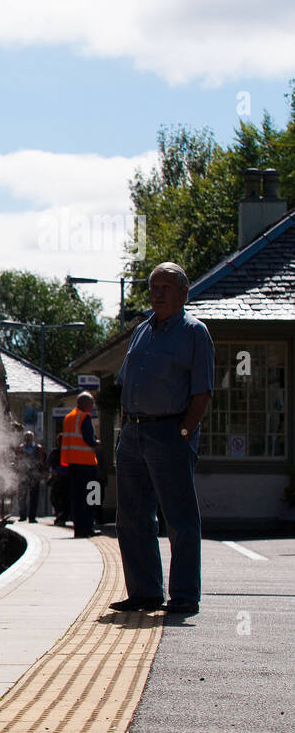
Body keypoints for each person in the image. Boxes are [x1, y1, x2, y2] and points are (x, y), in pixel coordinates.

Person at [109, 262, 214, 615]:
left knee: (179, 518)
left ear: (185, 293)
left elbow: (202, 394)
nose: (158, 292)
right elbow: (124, 385)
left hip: (170, 432)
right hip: (133, 433)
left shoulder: (194, 332)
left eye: (167, 286)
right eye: (154, 286)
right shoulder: (141, 331)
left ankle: (184, 595)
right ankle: (144, 592)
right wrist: (125, 430)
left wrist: (183, 434)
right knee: (132, 517)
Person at [61, 392, 100, 538]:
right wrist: (97, 443)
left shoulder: (69, 417)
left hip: (72, 463)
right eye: (92, 402)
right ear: (84, 403)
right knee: (90, 496)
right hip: (86, 463)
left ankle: (79, 529)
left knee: (76, 497)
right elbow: (89, 440)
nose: (93, 405)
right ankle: (88, 528)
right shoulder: (84, 417)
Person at [14, 430, 45, 522]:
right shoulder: (21, 448)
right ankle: (22, 515)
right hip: (23, 474)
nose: (28, 438)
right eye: (26, 437)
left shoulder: (38, 448)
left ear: (33, 438)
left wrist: (42, 472)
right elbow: (17, 460)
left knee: (34, 497)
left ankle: (32, 517)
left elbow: (42, 461)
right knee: (22, 496)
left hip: (34, 475)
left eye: (30, 437)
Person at [47, 431, 70, 526]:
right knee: (55, 498)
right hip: (57, 480)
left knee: (64, 499)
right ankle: (60, 515)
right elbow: (49, 464)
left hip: (66, 479)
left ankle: (62, 516)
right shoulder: (55, 452)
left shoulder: (68, 452)